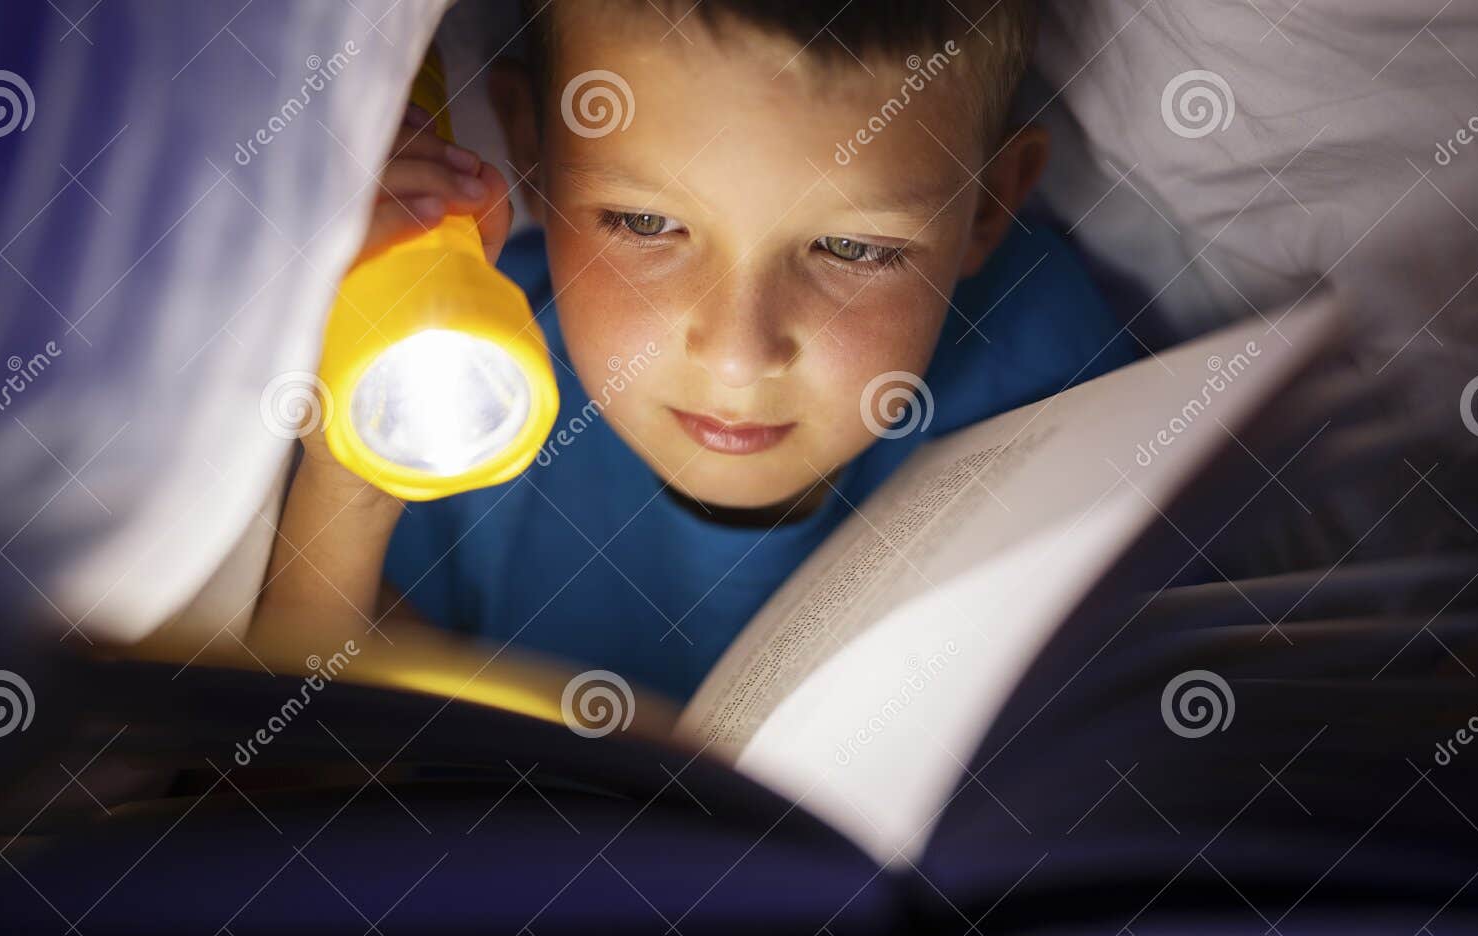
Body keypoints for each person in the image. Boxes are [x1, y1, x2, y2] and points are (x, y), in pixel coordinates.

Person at [253, 0, 1133, 702]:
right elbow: (289, 787)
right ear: (533, 150)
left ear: (988, 204)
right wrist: (351, 485)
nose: (739, 358)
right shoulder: (458, 390)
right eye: (645, 224)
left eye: (856, 249)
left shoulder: (1045, 364)